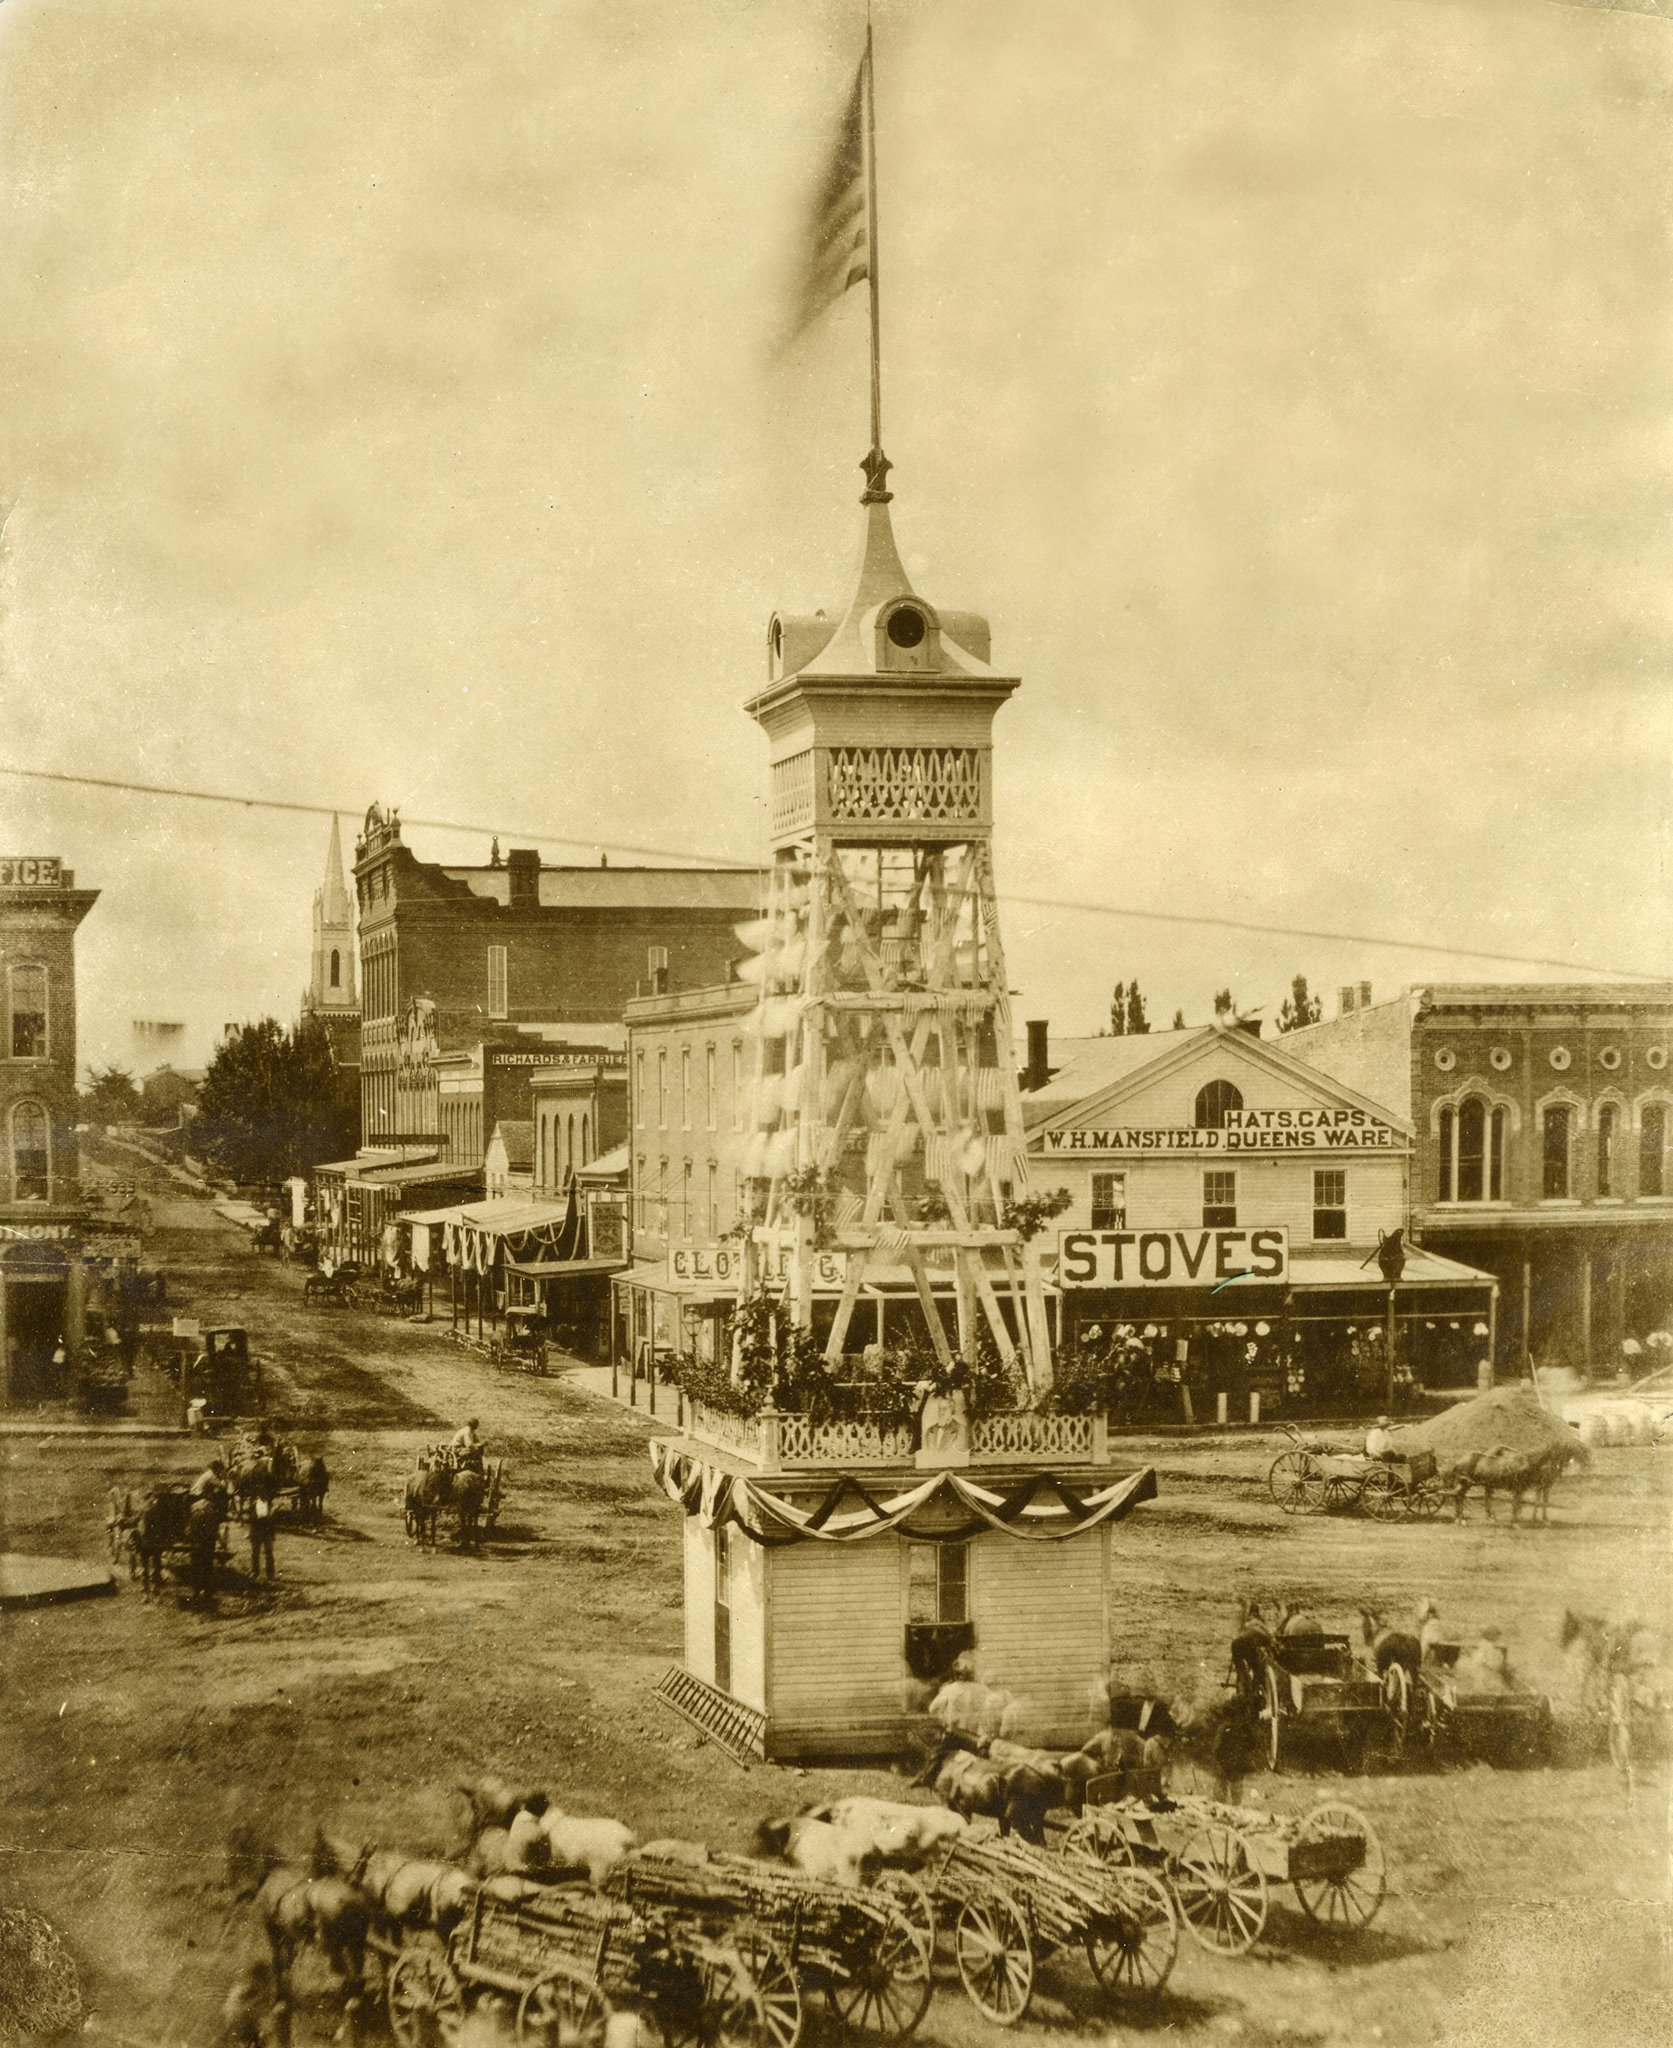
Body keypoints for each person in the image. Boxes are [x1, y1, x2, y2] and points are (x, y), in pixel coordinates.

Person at [247, 1492, 276, 1583]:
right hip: (256, 1530)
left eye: (264, 1494)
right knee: (255, 1552)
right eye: (260, 1494)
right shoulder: (254, 1505)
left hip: (266, 1531)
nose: (262, 1496)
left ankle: (270, 1574)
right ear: (258, 1496)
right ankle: (255, 1572)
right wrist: (250, 1532)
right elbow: (250, 1519)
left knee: (269, 1552)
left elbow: (273, 1521)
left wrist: (272, 1534)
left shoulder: (270, 1505)